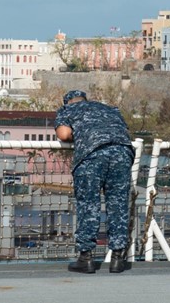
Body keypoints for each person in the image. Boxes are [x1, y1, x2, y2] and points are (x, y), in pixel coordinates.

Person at [55, 89, 136, 274]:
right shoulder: (110, 109)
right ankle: (117, 258)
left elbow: (64, 134)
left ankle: (86, 258)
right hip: (122, 153)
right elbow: (122, 130)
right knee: (118, 205)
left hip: (91, 155)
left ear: (68, 102)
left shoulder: (68, 110)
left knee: (88, 204)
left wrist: (82, 135)